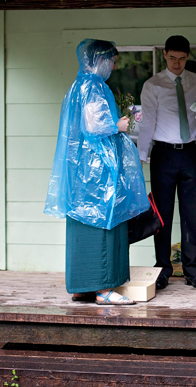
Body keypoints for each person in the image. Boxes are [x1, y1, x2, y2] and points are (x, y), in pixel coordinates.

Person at [44, 39, 148, 306]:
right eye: (112, 60)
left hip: (81, 173)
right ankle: (103, 290)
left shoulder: (77, 85)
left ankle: (82, 287)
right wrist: (121, 124)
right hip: (98, 173)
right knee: (104, 226)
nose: (114, 65)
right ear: (99, 59)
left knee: (82, 227)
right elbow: (95, 125)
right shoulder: (94, 86)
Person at [137, 35, 196, 290]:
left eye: (182, 59)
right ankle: (162, 270)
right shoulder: (153, 84)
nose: (177, 63)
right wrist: (141, 155)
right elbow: (147, 122)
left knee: (191, 214)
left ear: (188, 57)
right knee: (162, 215)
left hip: (191, 153)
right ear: (165, 55)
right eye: (172, 58)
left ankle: (192, 270)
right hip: (164, 155)